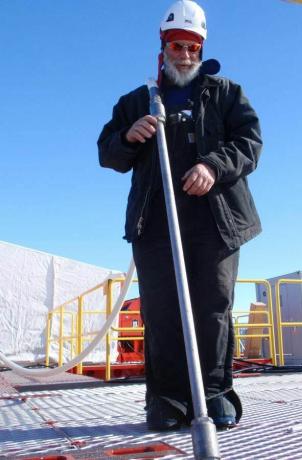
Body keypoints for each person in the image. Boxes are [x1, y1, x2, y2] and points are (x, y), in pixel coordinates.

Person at [98, 0, 262, 431]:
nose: (185, 54)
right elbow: (107, 153)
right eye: (177, 45)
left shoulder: (227, 94)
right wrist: (128, 138)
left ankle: (215, 394)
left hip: (217, 221)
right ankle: (167, 401)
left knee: (213, 308)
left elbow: (250, 144)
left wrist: (213, 166)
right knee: (162, 310)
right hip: (154, 223)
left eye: (192, 46)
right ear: (163, 46)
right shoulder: (136, 101)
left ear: (201, 47)